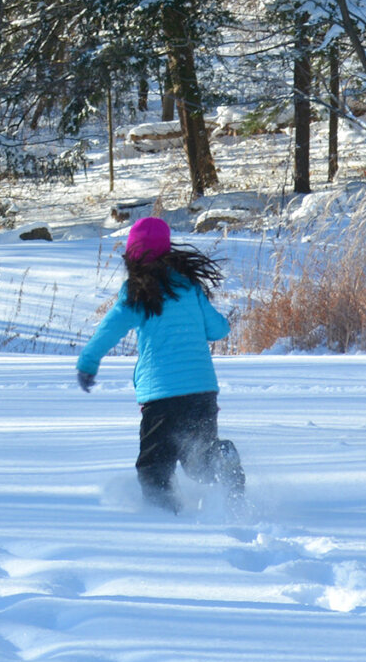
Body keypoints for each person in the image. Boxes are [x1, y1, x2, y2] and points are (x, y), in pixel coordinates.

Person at [75, 216, 246, 511]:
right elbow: (218, 330)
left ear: (133, 254)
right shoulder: (189, 287)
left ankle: (163, 520)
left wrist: (88, 362)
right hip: (201, 390)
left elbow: (109, 329)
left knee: (154, 467)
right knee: (199, 461)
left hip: (162, 397)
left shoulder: (137, 292)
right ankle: (222, 456)